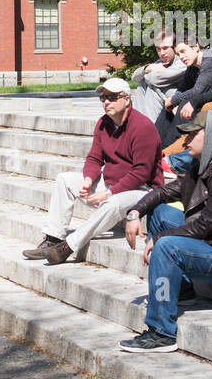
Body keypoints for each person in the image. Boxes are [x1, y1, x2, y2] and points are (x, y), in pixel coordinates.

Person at [118, 110, 212, 353]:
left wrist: (159, 238)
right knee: (161, 213)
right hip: (210, 242)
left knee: (166, 246)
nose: (185, 141)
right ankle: (183, 289)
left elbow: (205, 225)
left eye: (193, 135)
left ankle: (161, 332)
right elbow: (164, 192)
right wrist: (134, 213)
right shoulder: (203, 168)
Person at [28, 77, 164, 265]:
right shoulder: (103, 123)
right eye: (103, 97)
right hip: (112, 184)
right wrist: (88, 179)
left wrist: (108, 193)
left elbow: (141, 172)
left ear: (127, 99)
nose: (107, 102)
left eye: (113, 97)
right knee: (65, 179)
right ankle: (53, 238)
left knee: (112, 203)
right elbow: (94, 157)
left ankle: (66, 247)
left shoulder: (143, 127)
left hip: (144, 190)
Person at [131, 29, 187, 124]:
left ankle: (149, 126)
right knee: (141, 84)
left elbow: (154, 79)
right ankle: (137, 123)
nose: (162, 53)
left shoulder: (182, 62)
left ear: (174, 47)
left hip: (180, 98)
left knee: (152, 87)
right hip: (164, 99)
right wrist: (147, 68)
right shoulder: (159, 63)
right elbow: (134, 78)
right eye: (158, 49)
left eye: (165, 48)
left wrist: (147, 74)